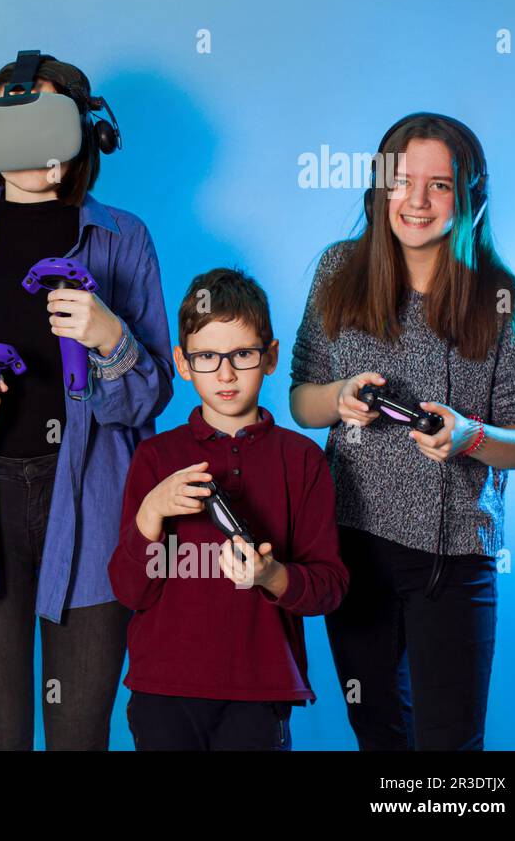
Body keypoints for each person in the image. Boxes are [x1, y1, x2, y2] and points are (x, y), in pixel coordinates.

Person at [0, 53, 174, 749]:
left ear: (80, 130)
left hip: (94, 503)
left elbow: (148, 399)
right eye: (8, 114)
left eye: (45, 114)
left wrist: (112, 337)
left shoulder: (125, 237)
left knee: (80, 733)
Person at [290, 113, 515, 750]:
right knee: (378, 731)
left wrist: (471, 437)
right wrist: (341, 397)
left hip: (456, 554)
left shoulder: (501, 299)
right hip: (352, 540)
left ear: (468, 197)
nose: (417, 201)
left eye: (439, 186)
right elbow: (302, 398)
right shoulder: (339, 271)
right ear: (380, 188)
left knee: (450, 746)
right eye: (403, 182)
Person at [109, 268, 348, 750]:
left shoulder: (303, 460)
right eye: (206, 356)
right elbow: (129, 589)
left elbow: (329, 587)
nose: (224, 372)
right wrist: (151, 513)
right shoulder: (156, 457)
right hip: (163, 691)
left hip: (260, 691)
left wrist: (272, 575)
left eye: (242, 354)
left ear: (271, 357)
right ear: (182, 362)